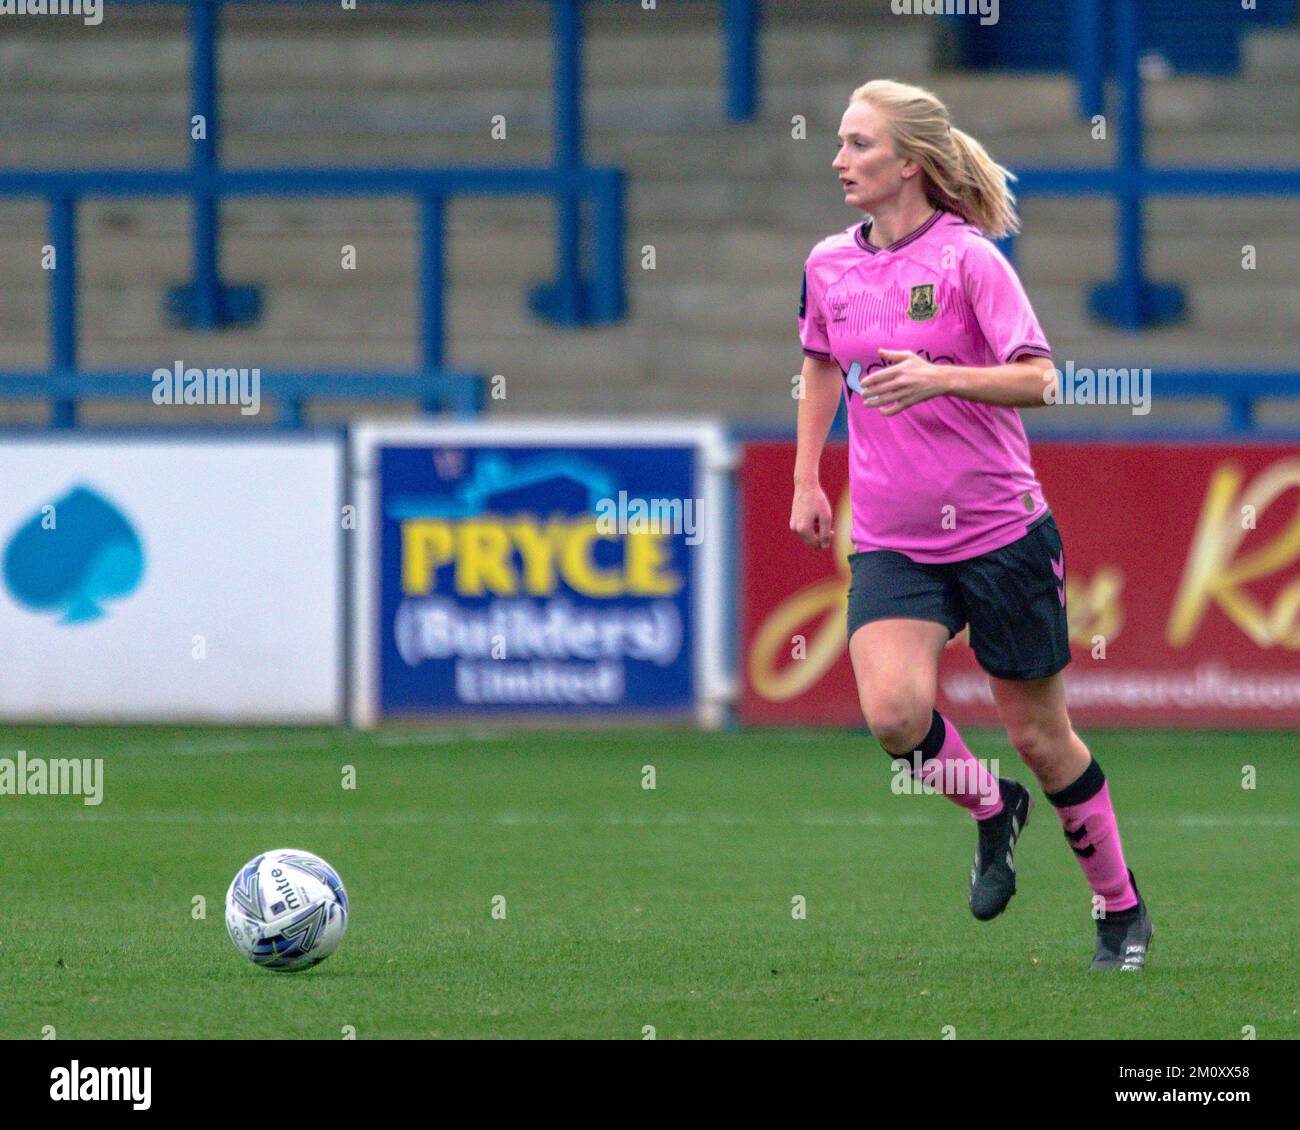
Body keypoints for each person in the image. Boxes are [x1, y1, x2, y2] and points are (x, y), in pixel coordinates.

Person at [790, 79, 1152, 970]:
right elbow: (818, 366)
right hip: (892, 537)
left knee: (1038, 735)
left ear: (909, 162)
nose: (840, 160)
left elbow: (1040, 378)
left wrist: (940, 376)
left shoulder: (969, 261)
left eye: (859, 145)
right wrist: (806, 477)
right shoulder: (828, 264)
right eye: (839, 142)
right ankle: (992, 808)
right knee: (892, 713)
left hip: (999, 533)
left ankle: (1119, 905)